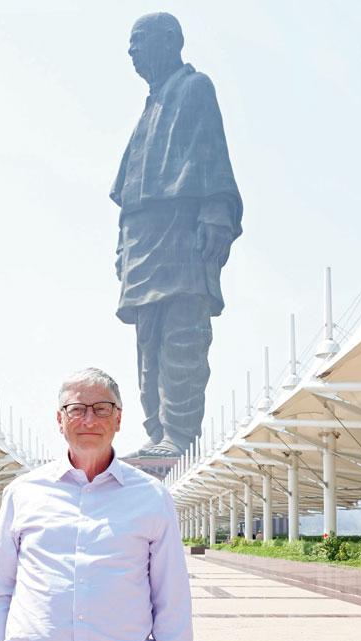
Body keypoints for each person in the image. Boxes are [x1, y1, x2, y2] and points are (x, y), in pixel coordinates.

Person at [0, 368, 192, 641]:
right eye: (77, 409)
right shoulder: (24, 493)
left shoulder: (151, 497)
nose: (88, 419)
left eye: (101, 408)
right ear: (59, 420)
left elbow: (172, 603)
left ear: (119, 419)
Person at [111, 12, 243, 459]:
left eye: (140, 40)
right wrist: (122, 246)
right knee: (147, 340)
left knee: (183, 333)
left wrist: (216, 213)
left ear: (170, 41)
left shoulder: (194, 88)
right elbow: (128, 190)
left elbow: (212, 154)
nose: (131, 51)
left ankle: (180, 436)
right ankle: (156, 431)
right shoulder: (149, 108)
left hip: (181, 232)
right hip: (143, 239)